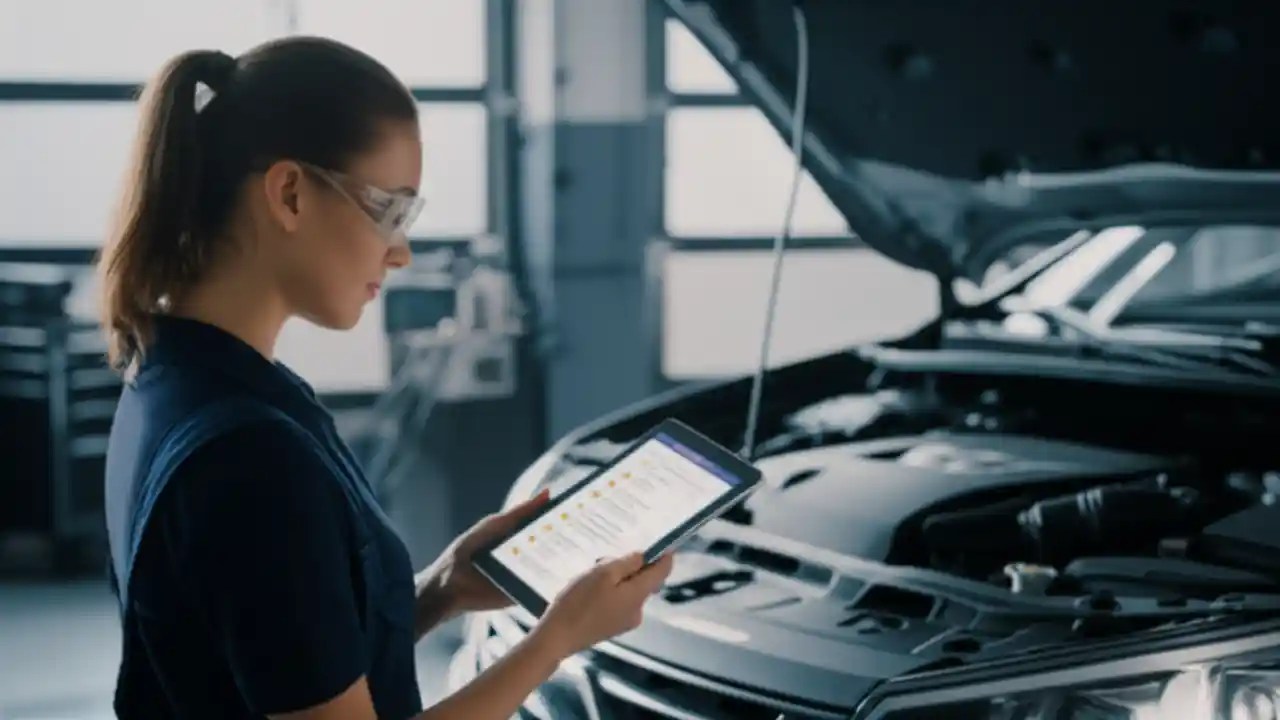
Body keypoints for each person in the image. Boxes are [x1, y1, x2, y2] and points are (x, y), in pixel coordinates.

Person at [100, 36, 674, 720]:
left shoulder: (172, 378)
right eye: (390, 210)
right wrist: (558, 640)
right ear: (289, 194)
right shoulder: (254, 460)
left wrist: (442, 589)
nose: (400, 252)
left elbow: (278, 652)